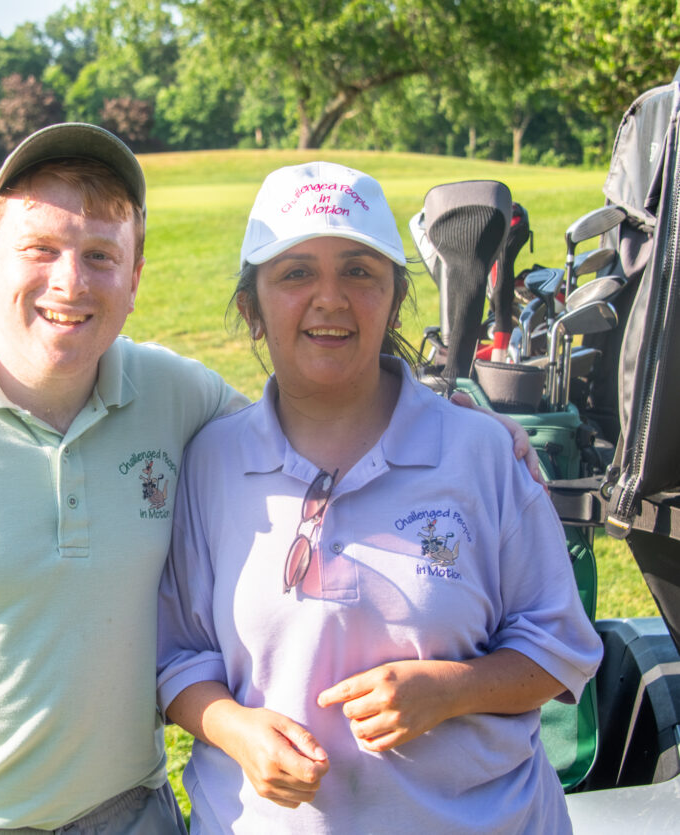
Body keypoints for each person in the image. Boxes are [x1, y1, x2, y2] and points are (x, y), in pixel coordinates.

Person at [0, 124, 539, 835]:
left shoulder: (176, 398)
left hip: (131, 814)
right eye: (42, 248)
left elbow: (321, 414)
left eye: (101, 254)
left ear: (135, 276)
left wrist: (456, 418)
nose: (71, 282)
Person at [156, 161, 604, 833]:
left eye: (360, 271)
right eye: (295, 272)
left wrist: (453, 689)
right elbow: (179, 654)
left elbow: (561, 646)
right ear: (251, 307)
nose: (330, 298)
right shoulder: (213, 462)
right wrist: (235, 727)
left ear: (395, 298)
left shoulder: (480, 452)